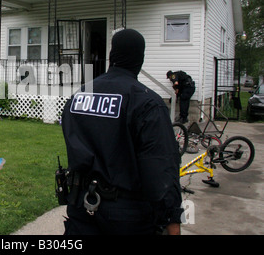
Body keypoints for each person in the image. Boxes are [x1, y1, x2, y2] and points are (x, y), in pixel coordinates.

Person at [61, 29, 183, 235]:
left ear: (112, 56)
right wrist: (172, 220)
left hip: (81, 205)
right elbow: (161, 169)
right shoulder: (147, 103)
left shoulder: (79, 97)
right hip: (128, 214)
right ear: (140, 59)